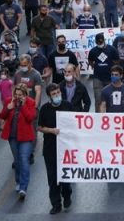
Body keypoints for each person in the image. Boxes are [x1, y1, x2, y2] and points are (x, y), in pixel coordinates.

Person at [38, 84, 73, 214]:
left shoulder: (67, 106)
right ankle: (56, 204)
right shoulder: (45, 109)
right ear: (49, 96)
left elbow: (75, 122)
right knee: (53, 178)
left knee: (65, 176)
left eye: (58, 92)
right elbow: (40, 127)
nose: (57, 95)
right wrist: (51, 130)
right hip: (50, 149)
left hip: (66, 148)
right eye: (54, 94)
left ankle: (67, 194)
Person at [0, 85, 37, 200]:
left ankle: (23, 187)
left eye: (20, 95)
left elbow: (31, 118)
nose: (17, 97)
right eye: (16, 94)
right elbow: (2, 116)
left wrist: (24, 105)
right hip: (13, 137)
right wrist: (8, 108)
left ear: (25, 95)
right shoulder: (9, 101)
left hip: (26, 138)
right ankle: (18, 180)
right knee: (17, 161)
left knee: (24, 160)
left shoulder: (30, 102)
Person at [87, 34, 117, 105]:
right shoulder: (93, 51)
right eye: (98, 42)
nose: (100, 44)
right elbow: (90, 61)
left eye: (101, 42)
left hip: (110, 78)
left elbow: (117, 61)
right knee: (98, 99)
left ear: (104, 40)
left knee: (111, 99)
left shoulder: (112, 49)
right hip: (97, 78)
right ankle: (98, 115)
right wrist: (94, 66)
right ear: (95, 42)